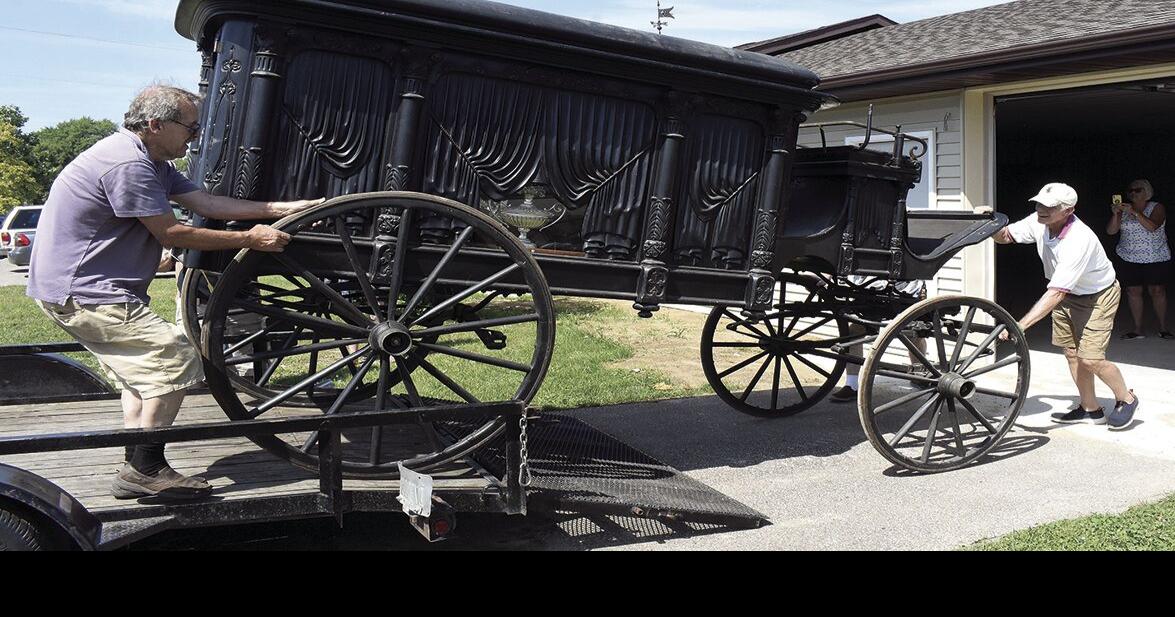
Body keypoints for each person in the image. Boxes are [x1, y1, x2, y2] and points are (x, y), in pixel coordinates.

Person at [27, 85, 323, 499]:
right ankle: (146, 470)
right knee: (174, 357)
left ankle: (137, 465)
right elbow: (173, 232)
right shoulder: (127, 163)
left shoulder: (150, 159)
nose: (196, 135)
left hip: (83, 289)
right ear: (155, 124)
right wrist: (250, 240)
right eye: (190, 126)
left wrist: (278, 210)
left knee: (143, 378)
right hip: (86, 293)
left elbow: (206, 203)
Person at [992, 182, 1138, 430]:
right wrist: (989, 223)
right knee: (1071, 353)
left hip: (1097, 295)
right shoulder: (1040, 221)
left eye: (1050, 206)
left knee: (1090, 359)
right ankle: (1090, 409)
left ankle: (1127, 398)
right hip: (1068, 293)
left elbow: (1057, 292)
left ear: (1069, 210)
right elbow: (1005, 236)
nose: (1041, 209)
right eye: (1038, 203)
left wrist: (1020, 325)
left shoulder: (1078, 239)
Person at [830, 278, 928, 402]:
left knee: (914, 333)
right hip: (870, 288)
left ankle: (919, 373)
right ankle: (852, 385)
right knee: (854, 332)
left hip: (904, 286)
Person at [1105, 179, 1170, 340]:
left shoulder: (1156, 207)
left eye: (1138, 190)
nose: (1133, 193)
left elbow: (1153, 226)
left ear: (1146, 192)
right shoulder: (1123, 210)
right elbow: (1111, 231)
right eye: (1130, 191)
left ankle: (1163, 328)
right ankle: (1138, 329)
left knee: (1157, 291)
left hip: (1155, 256)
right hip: (1129, 257)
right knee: (1133, 291)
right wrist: (1116, 214)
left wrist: (1134, 212)